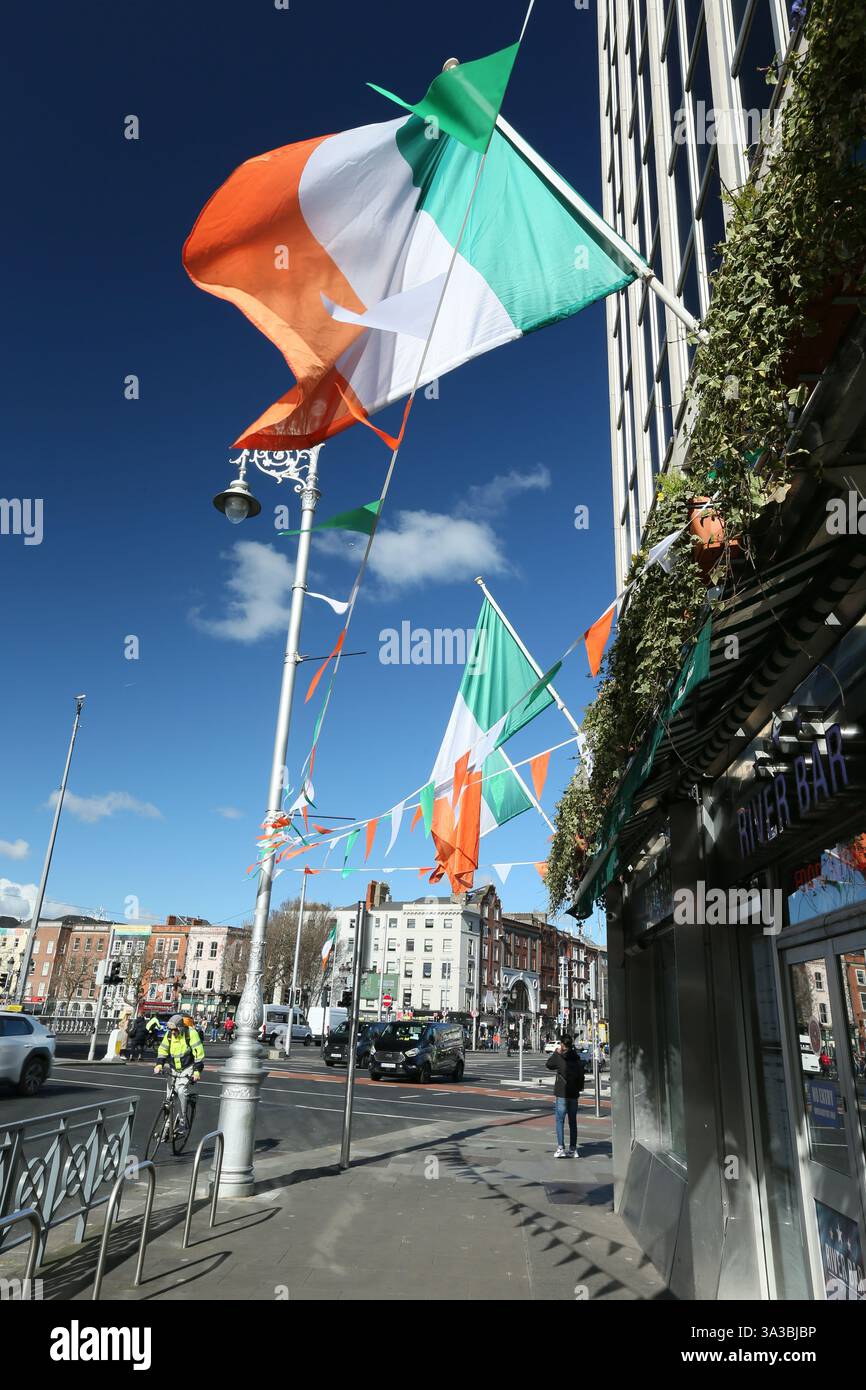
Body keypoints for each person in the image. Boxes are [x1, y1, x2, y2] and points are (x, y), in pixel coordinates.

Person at [154, 1014, 205, 1133]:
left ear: (181, 1028)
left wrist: (197, 1072)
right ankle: (167, 1126)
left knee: (181, 1091)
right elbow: (163, 1050)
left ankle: (183, 1122)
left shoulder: (191, 1034)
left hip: (188, 1067)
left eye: (174, 1030)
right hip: (173, 1068)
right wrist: (159, 1064)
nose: (172, 1032)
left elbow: (199, 1054)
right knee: (169, 1099)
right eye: (170, 1030)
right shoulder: (169, 1035)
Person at [545, 1033, 585, 1158]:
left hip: (562, 1092)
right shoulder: (577, 1058)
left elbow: (549, 1064)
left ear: (562, 1045)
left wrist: (556, 1053)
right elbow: (581, 1076)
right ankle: (573, 1149)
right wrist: (578, 1089)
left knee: (560, 1119)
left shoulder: (560, 1057)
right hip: (574, 1094)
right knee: (573, 1121)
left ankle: (561, 1148)